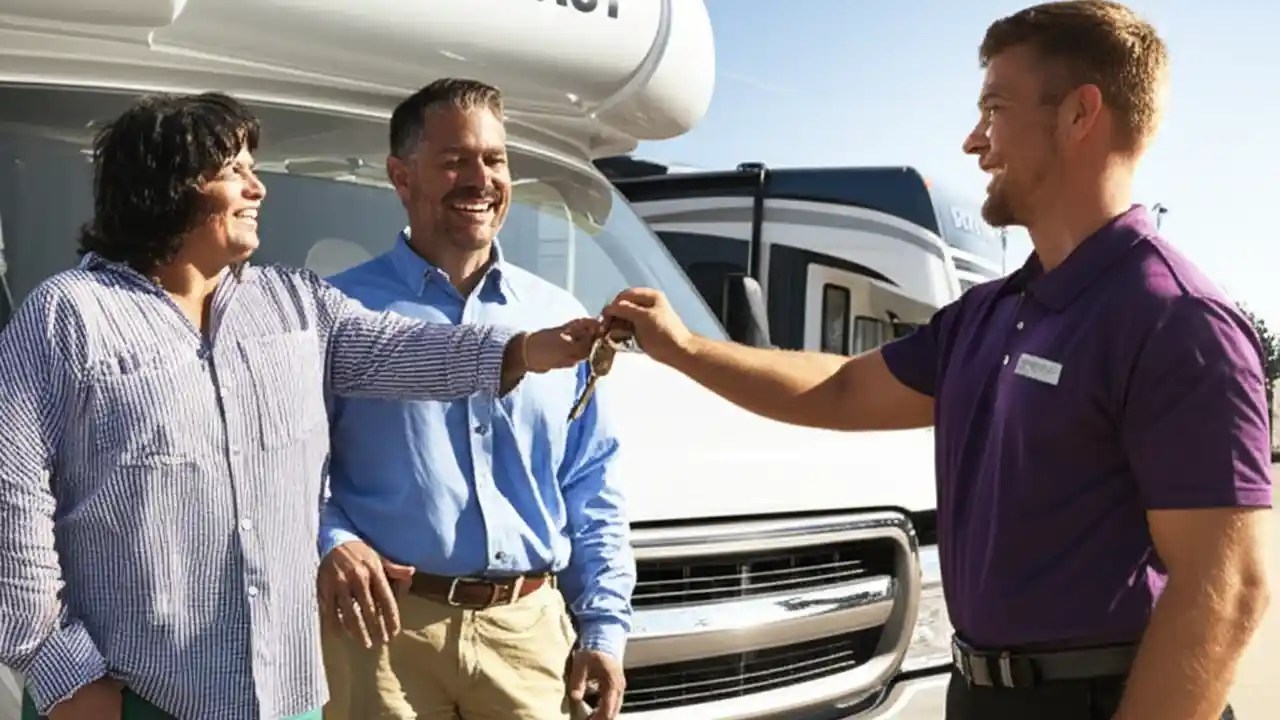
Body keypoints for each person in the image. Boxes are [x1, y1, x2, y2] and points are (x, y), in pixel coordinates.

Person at [601, 2, 1272, 719]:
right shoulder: (986, 315)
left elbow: (1226, 590)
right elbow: (839, 387)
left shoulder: (1175, 320)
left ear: (1081, 115)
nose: (974, 142)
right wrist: (685, 348)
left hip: (1102, 698)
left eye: (995, 109)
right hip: (977, 696)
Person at [0, 91, 600, 720]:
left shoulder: (295, 305)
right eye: (234, 171)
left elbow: (403, 348)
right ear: (166, 183)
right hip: (134, 697)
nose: (258, 189)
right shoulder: (69, 316)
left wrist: (530, 349)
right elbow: (12, 502)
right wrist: (63, 675)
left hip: (287, 697)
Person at [315, 78, 633, 720]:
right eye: (455, 159)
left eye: (494, 159)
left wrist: (603, 626)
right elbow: (289, 467)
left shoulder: (558, 312)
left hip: (530, 635)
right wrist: (330, 540)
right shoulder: (335, 311)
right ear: (401, 177)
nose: (480, 179)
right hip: (382, 636)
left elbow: (590, 481)